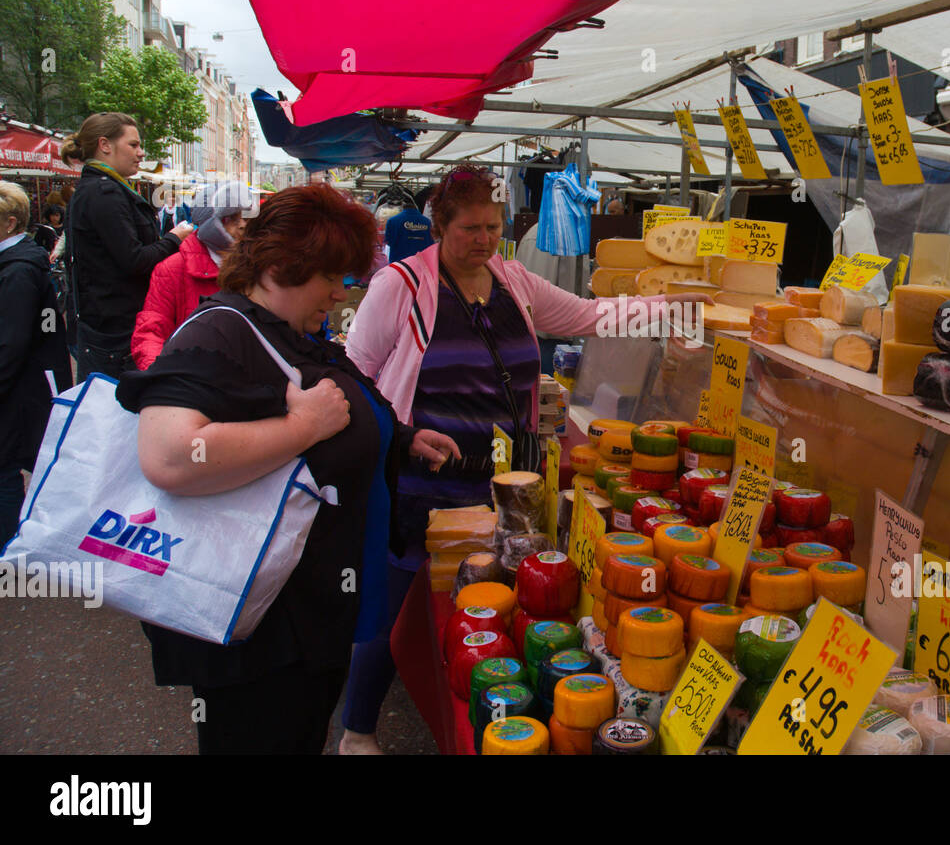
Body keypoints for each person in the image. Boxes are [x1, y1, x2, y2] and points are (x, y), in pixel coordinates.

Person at [339, 164, 708, 754]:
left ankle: (486, 715)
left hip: (509, 487)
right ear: (440, 227)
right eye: (469, 229)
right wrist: (403, 436)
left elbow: (590, 316)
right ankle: (357, 731)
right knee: (397, 605)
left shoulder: (514, 281)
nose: (483, 240)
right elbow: (353, 377)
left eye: (493, 227)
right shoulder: (400, 285)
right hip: (426, 485)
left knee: (493, 605)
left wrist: (671, 307)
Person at [115, 185, 459, 755]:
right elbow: (169, 455)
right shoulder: (220, 331)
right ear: (280, 266)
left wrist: (399, 439)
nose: (340, 291)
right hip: (262, 632)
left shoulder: (286, 330)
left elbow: (341, 404)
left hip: (305, 617)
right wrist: (302, 428)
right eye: (329, 276)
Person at [61, 113, 193, 381]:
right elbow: (134, 260)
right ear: (105, 145)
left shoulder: (99, 189)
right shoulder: (105, 194)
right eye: (133, 145)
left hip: (109, 327)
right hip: (115, 333)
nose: (141, 153)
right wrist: (174, 238)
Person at [0, 182, 72, 545]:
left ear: (10, 222)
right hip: (24, 383)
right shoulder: (21, 264)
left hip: (19, 388)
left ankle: (7, 546)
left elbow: (11, 341)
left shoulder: (17, 271)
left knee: (6, 468)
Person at [131, 181, 253, 370]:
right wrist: (160, 374)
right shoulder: (172, 270)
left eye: (245, 217)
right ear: (212, 222)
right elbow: (151, 331)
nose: (243, 225)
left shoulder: (257, 266)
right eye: (231, 218)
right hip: (191, 376)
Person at [382, 194, 433, 264]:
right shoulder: (427, 222)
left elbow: (388, 241)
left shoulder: (392, 221)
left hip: (399, 263)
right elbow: (431, 243)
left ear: (403, 208)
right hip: (421, 263)